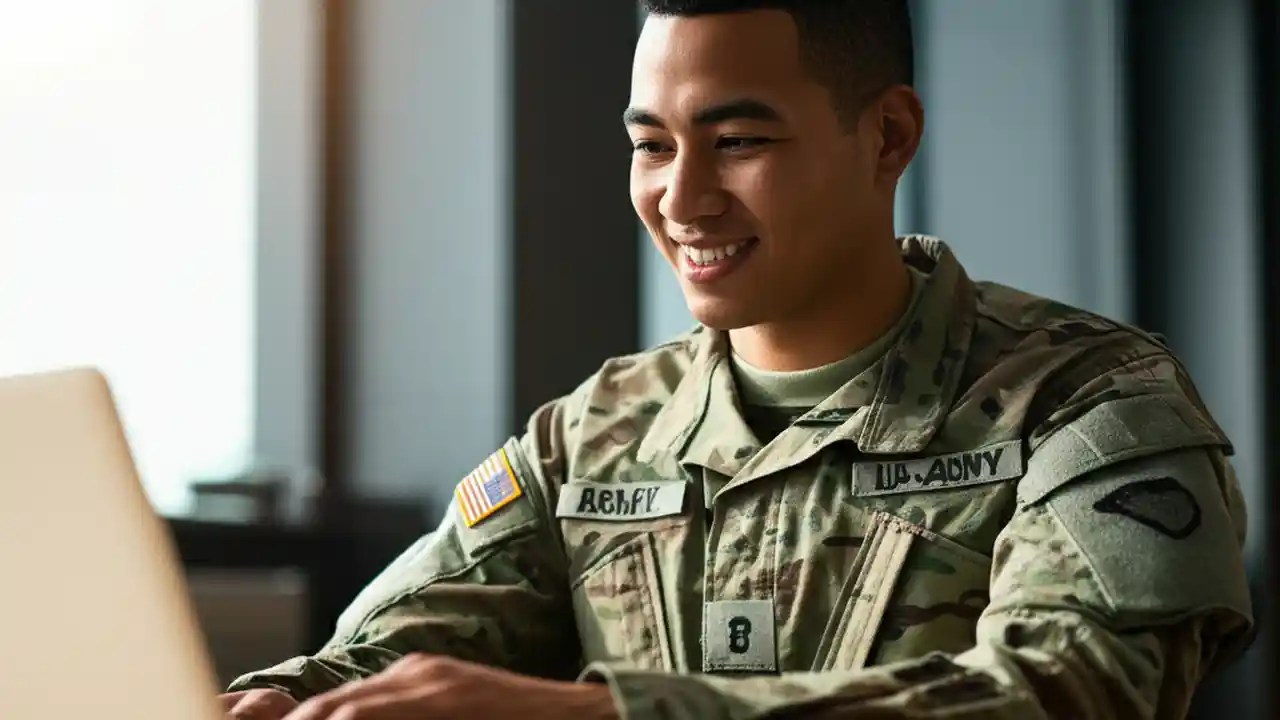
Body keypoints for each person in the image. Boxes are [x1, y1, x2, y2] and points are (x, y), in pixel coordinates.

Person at [220, 1, 1254, 718]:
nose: (681, 199)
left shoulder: (1087, 404)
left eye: (738, 141)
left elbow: (1066, 694)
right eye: (652, 144)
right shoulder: (591, 434)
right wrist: (284, 700)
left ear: (886, 134)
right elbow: (399, 647)